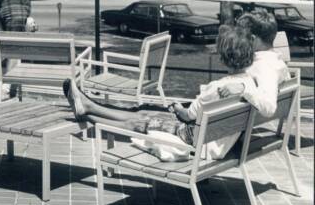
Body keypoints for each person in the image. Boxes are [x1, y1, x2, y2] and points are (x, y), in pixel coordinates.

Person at [64, 25, 266, 161]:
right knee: (144, 115)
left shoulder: (217, 88)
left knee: (137, 122)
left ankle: (88, 109)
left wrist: (178, 108)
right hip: (213, 140)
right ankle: (88, 107)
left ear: (223, 58)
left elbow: (188, 115)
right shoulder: (249, 84)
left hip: (194, 140)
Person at [218, 8, 290, 119]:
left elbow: (269, 107)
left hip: (236, 126)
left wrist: (243, 88)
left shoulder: (264, 67)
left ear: (252, 39)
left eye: (241, 36)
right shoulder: (275, 60)